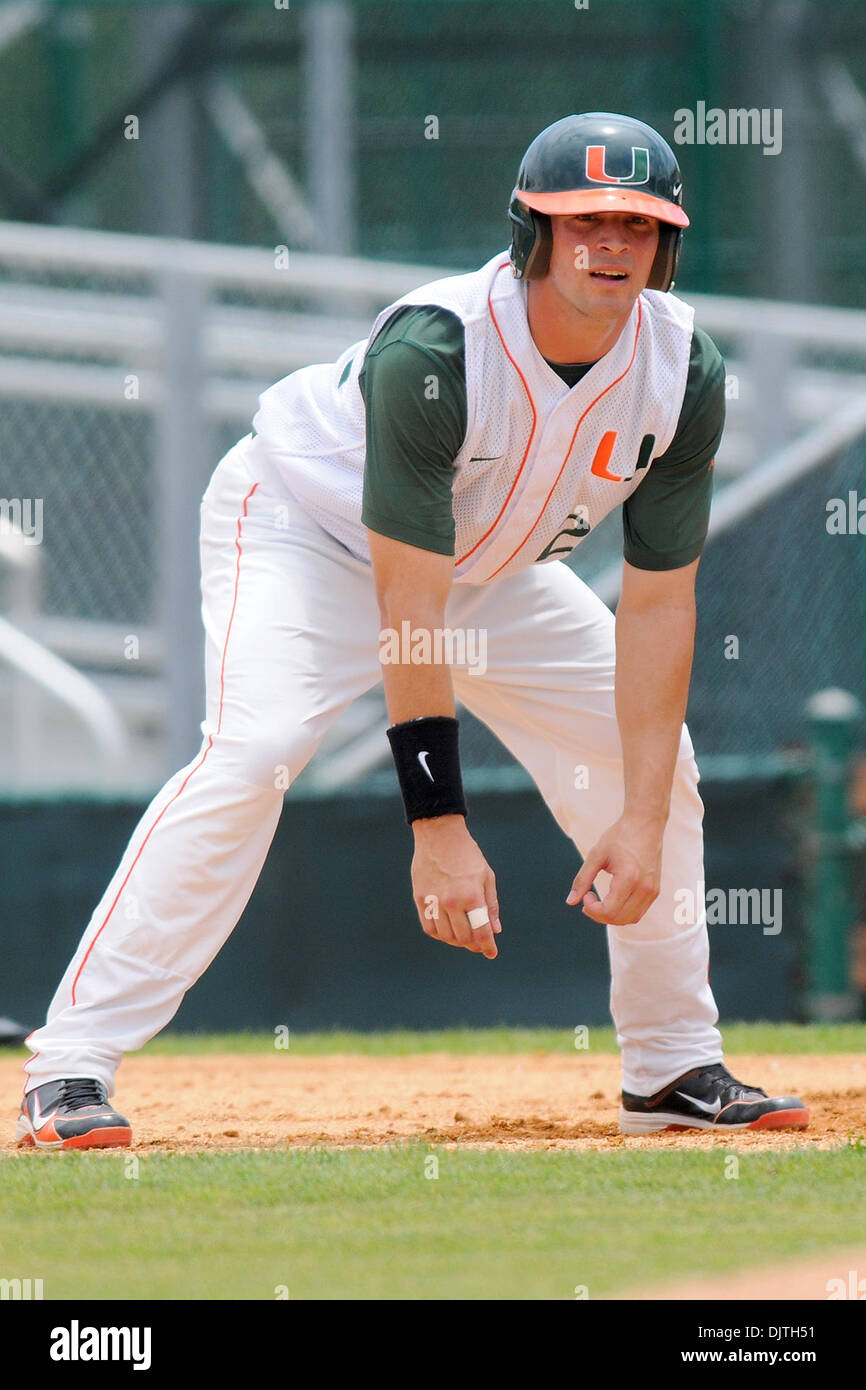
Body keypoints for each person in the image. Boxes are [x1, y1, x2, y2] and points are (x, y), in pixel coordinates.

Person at [17, 112, 808, 1150]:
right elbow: (410, 606)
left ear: (667, 244)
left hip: (496, 571)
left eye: (636, 222)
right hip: (307, 534)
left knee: (658, 778)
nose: (609, 243)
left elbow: (659, 601)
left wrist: (640, 813)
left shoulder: (683, 370)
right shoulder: (438, 348)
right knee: (251, 753)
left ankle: (668, 1067)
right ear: (531, 231)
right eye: (582, 222)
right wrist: (436, 828)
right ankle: (69, 1065)